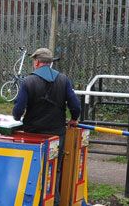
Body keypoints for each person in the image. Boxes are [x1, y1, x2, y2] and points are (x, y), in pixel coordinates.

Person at [11, 47, 81, 203]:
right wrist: (74, 119)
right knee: (54, 168)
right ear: (50, 63)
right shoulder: (63, 79)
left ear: (36, 62)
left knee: (34, 170)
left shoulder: (28, 81)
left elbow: (18, 110)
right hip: (56, 133)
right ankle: (53, 200)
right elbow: (75, 106)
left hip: (32, 134)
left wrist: (17, 116)